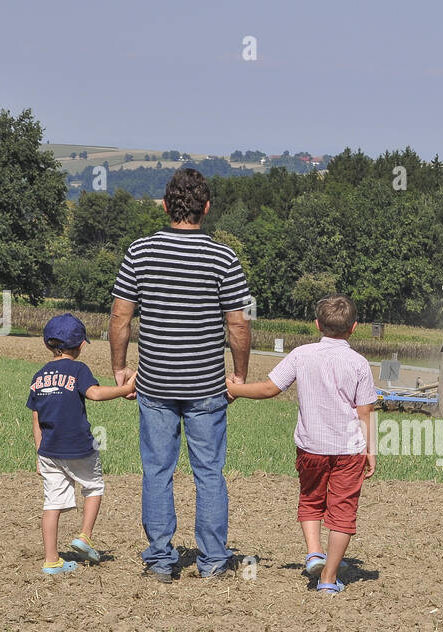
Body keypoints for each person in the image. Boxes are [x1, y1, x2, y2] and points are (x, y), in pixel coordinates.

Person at [108, 168, 253, 583]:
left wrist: (120, 368)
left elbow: (121, 316)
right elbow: (238, 326)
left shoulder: (139, 252)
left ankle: (159, 561)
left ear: (167, 205)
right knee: (208, 472)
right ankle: (211, 562)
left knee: (157, 471)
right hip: (207, 384)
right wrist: (238, 375)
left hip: (154, 382)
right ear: (206, 208)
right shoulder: (224, 257)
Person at [225, 295, 376, 594]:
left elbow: (270, 388)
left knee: (310, 498)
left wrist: (236, 389)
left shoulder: (301, 355)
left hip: (311, 446)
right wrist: (370, 449)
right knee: (342, 511)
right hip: (349, 450)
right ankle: (329, 579)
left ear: (317, 324)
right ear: (354, 327)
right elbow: (365, 411)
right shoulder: (359, 363)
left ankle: (313, 552)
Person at [27, 314, 136, 576]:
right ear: (81, 345)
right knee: (94, 486)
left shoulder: (39, 375)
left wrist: (39, 454)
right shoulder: (78, 369)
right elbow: (95, 394)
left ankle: (51, 561)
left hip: (49, 451)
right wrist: (126, 389)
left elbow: (36, 418)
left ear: (47, 344)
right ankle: (84, 536)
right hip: (78, 447)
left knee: (52, 504)